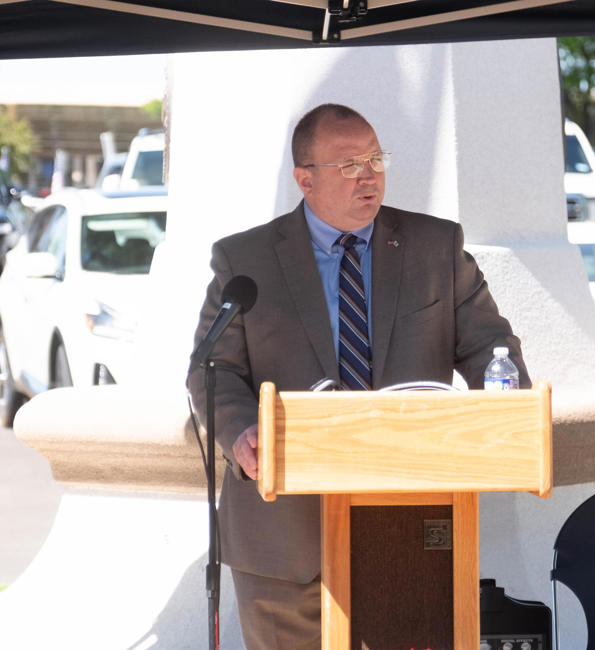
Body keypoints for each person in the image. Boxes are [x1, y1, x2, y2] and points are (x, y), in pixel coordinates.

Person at [187, 103, 530, 650]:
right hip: (282, 536)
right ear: (305, 179)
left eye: (375, 159)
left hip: (406, 529)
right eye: (349, 165)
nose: (368, 176)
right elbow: (213, 369)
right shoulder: (245, 259)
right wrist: (241, 431)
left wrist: (504, 413)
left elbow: (492, 348)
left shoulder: (435, 247)